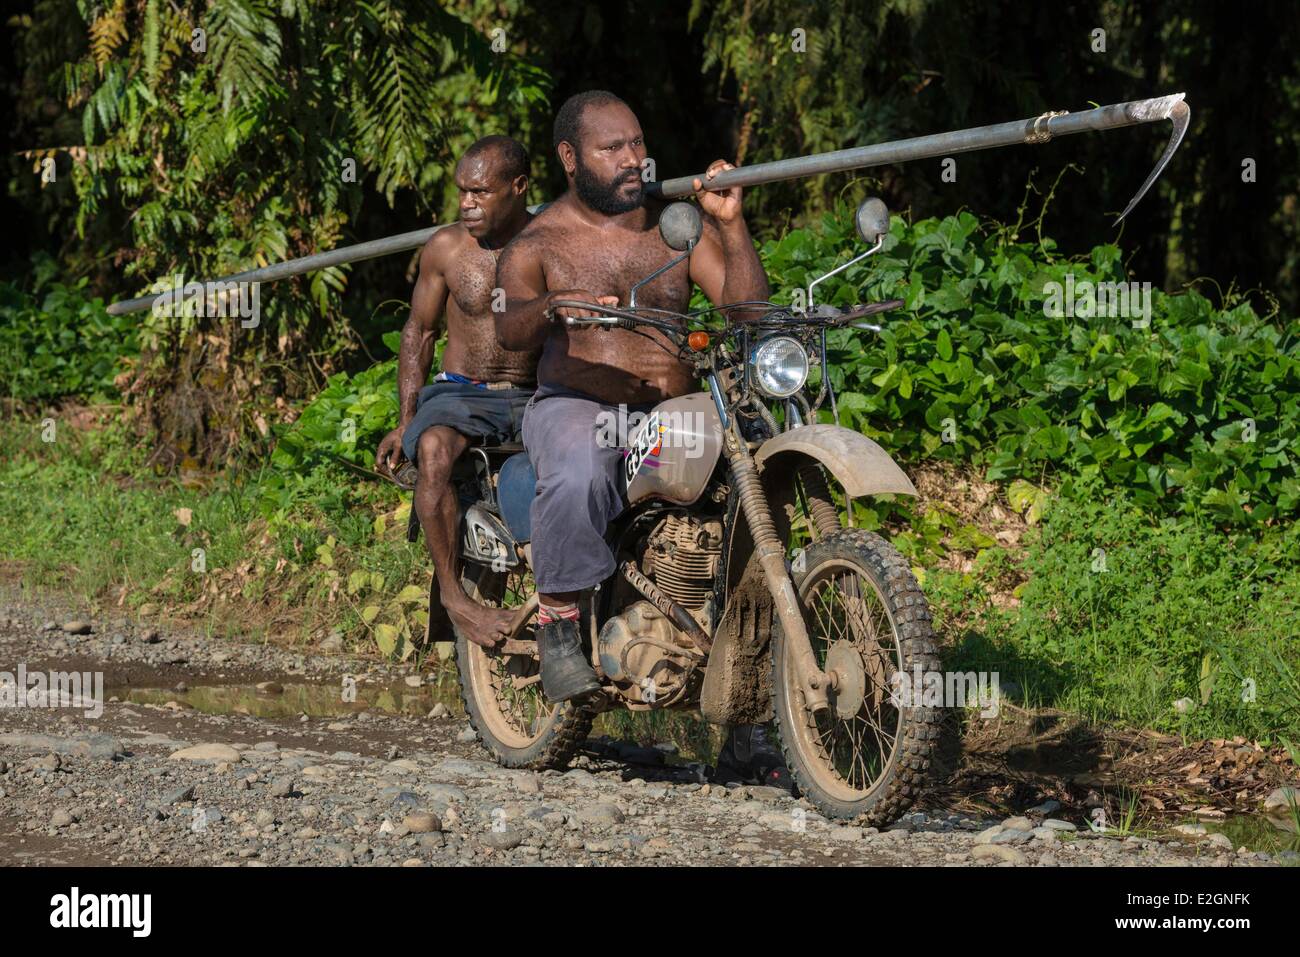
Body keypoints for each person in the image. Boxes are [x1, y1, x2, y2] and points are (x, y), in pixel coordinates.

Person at [494, 90, 769, 701]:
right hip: (574, 407)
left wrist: (730, 223)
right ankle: (559, 625)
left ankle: (737, 640)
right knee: (580, 471)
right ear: (571, 157)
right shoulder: (539, 241)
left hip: (671, 411)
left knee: (750, 460)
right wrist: (553, 307)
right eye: (611, 147)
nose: (631, 159)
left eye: (637, 143)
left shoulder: (675, 227)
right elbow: (508, 329)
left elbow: (745, 310)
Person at [375, 135, 538, 646]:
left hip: (536, 392)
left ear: (518, 187)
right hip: (461, 393)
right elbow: (418, 333)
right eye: (462, 192)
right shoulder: (446, 249)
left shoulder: (550, 241)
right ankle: (453, 596)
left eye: (480, 193)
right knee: (433, 448)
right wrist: (406, 417)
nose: (467, 204)